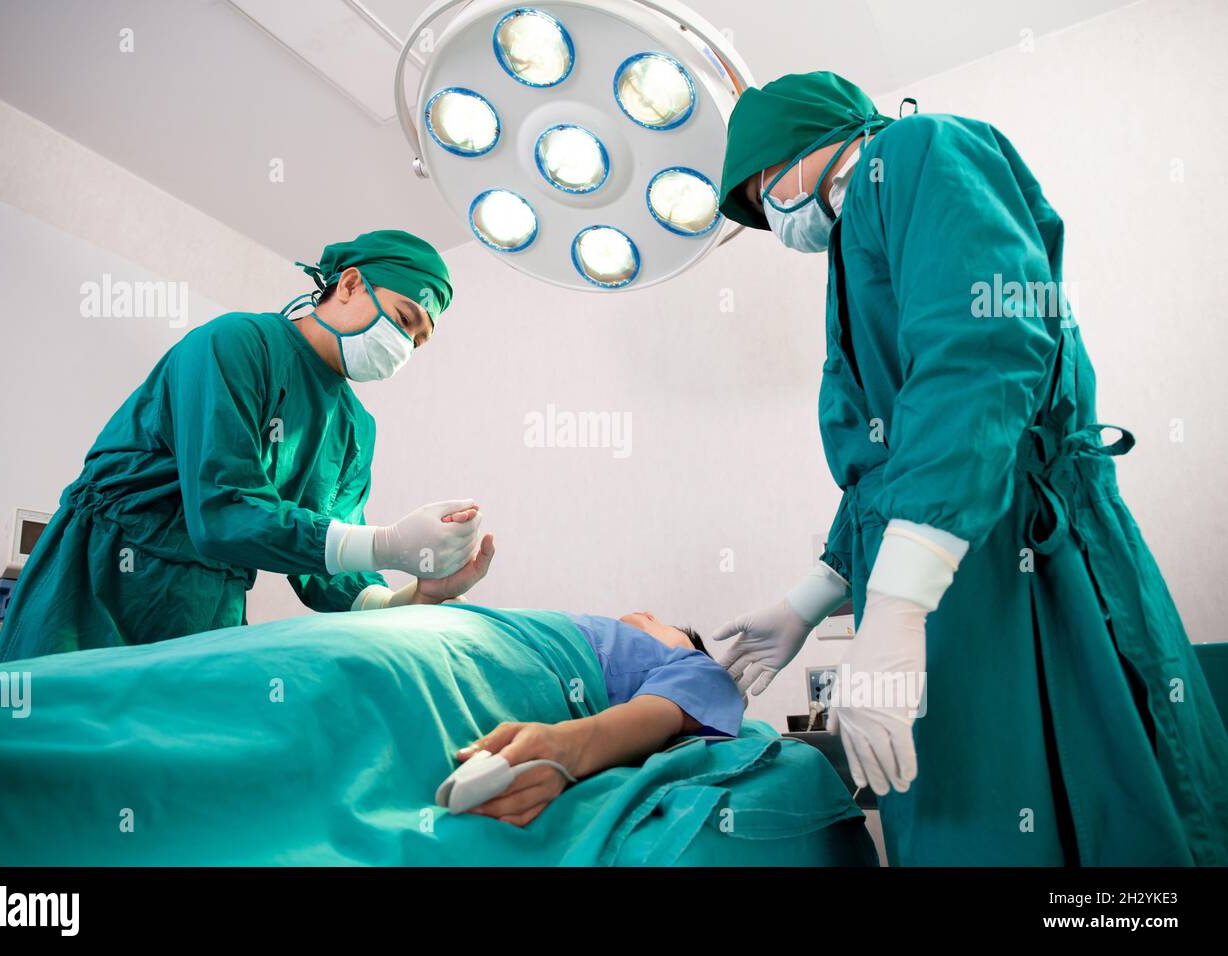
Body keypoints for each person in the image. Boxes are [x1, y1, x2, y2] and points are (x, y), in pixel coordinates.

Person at [709, 71, 1228, 865]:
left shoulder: (918, 152)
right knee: (962, 814)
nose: (770, 210)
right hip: (941, 569)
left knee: (1078, 812)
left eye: (761, 183)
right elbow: (885, 468)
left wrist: (898, 604)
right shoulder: (851, 259)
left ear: (811, 143)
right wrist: (813, 598)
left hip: (1014, 557)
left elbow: (980, 363)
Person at [0, 230, 482, 664]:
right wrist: (387, 543)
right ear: (351, 284)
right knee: (45, 750)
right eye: (403, 318)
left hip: (206, 611)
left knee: (170, 761)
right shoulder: (239, 344)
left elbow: (326, 569)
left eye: (418, 341)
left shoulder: (355, 429)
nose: (403, 345)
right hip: (100, 584)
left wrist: (409, 597)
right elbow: (222, 511)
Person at [357, 553, 743, 827]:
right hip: (461, 635)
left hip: (517, 655)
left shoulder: (701, 670)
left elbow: (655, 716)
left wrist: (565, 749)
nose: (649, 614)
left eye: (673, 629)